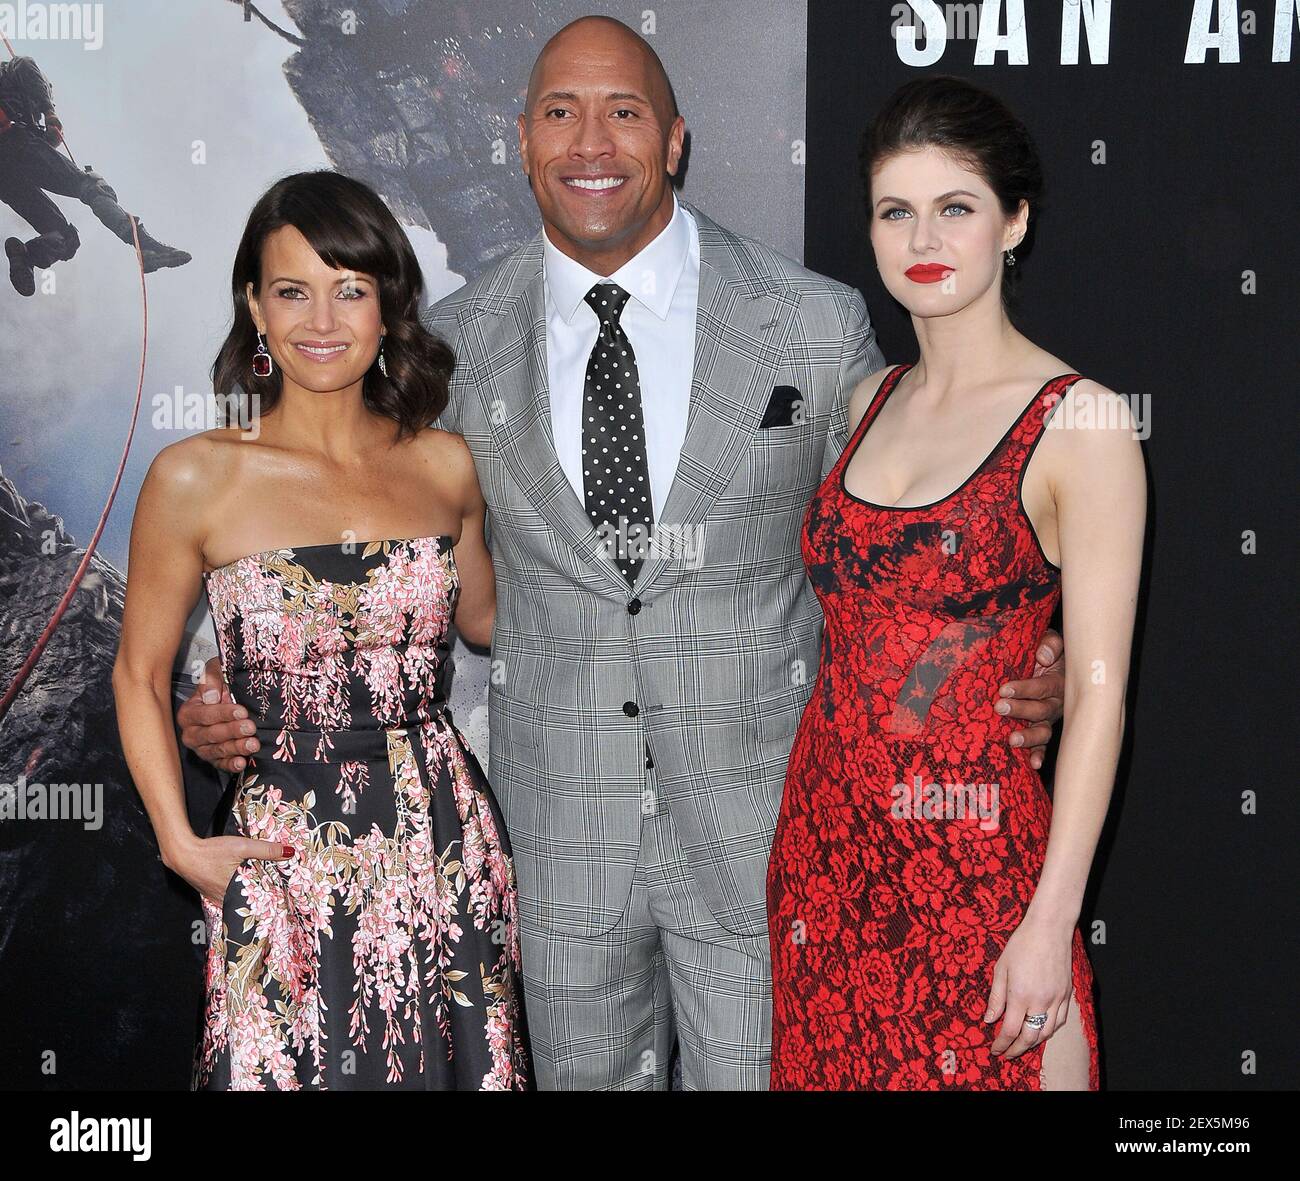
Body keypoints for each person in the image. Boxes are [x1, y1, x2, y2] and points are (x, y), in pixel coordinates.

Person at [177, 17, 1066, 1091]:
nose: (589, 142)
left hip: (771, 837)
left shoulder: (813, 324)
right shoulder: (447, 346)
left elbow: (900, 540)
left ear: (677, 141)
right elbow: (328, 522)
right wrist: (219, 682)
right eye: (560, 112)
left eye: (623, 112)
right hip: (556, 847)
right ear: (520, 141)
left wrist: (1007, 657)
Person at [112, 170, 530, 1090]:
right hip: (282, 852)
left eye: (352, 289)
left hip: (443, 841)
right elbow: (140, 674)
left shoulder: (443, 462)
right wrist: (182, 845)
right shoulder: (196, 476)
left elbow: (493, 620)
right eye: (292, 290)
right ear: (255, 309)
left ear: (389, 308)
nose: (323, 320)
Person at [767, 76, 1145, 1090]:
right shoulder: (866, 397)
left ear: (1013, 221)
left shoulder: (1085, 422)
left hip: (978, 864)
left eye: (955, 207)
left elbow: (1102, 694)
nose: (921, 237)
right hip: (825, 852)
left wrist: (1050, 917)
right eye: (896, 210)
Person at [0, 54, 190, 295]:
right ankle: (144, 246)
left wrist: (46, 138)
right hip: (15, 145)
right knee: (90, 185)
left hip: (5, 178)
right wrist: (50, 114)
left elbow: (38, 157)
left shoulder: (20, 109)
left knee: (65, 239)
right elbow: (26, 65)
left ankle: (25, 257)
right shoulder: (13, 72)